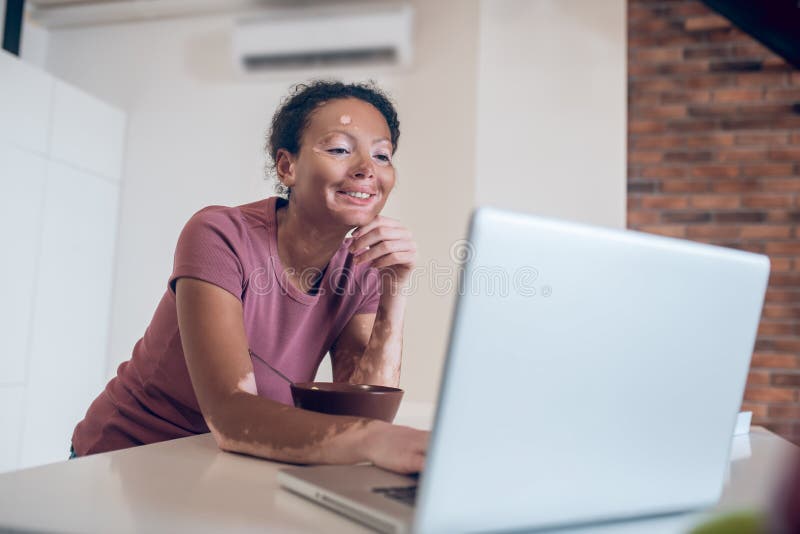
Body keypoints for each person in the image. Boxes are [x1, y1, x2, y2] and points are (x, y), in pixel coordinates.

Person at [70, 80, 429, 474]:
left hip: (228, 467)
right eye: (340, 149)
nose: (366, 170)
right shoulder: (220, 235)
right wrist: (373, 439)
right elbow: (230, 412)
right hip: (125, 460)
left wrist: (395, 288)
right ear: (287, 166)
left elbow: (361, 413)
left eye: (382, 155)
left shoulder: (362, 269)